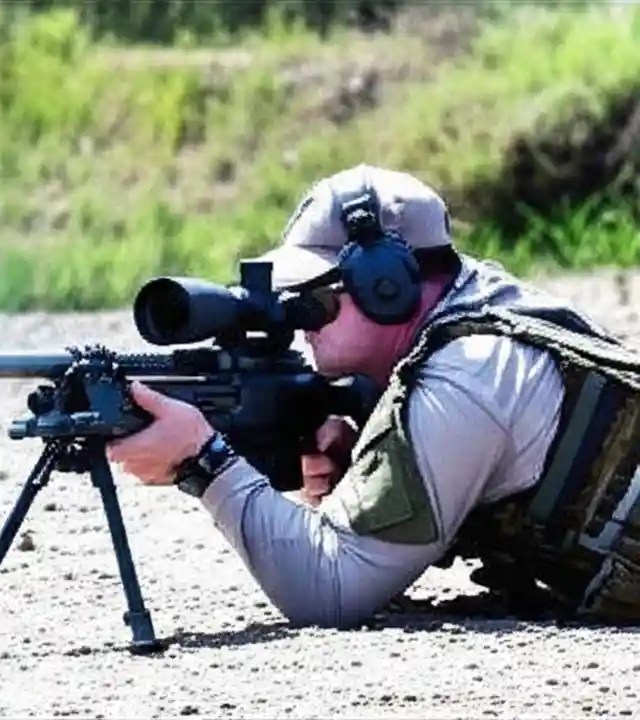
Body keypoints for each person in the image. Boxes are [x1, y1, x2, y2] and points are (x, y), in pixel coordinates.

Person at [107, 164, 640, 627]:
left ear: (387, 283)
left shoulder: (468, 375)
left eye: (316, 296)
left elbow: (329, 590)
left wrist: (203, 461)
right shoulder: (475, 310)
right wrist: (369, 456)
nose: (298, 315)